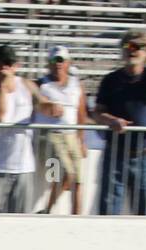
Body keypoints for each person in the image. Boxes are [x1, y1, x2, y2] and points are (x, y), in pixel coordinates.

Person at [92, 30, 146, 215]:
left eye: (137, 47)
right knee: (108, 211)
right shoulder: (110, 80)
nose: (131, 50)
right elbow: (97, 112)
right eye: (127, 46)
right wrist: (111, 120)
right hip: (116, 154)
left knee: (142, 213)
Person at [0, 44, 39, 214]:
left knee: (22, 222)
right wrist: (3, 88)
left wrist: (54, 107)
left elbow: (43, 103)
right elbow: (1, 117)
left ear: (17, 65)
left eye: (9, 63)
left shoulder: (27, 85)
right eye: (0, 63)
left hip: (24, 167)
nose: (5, 67)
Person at [33, 46, 89, 215]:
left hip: (71, 135)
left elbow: (81, 113)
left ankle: (76, 216)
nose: (57, 64)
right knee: (62, 175)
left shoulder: (76, 84)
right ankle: (48, 210)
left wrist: (82, 139)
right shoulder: (41, 84)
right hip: (50, 136)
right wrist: (47, 107)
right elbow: (35, 105)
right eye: (54, 60)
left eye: (60, 60)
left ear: (67, 63)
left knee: (79, 180)